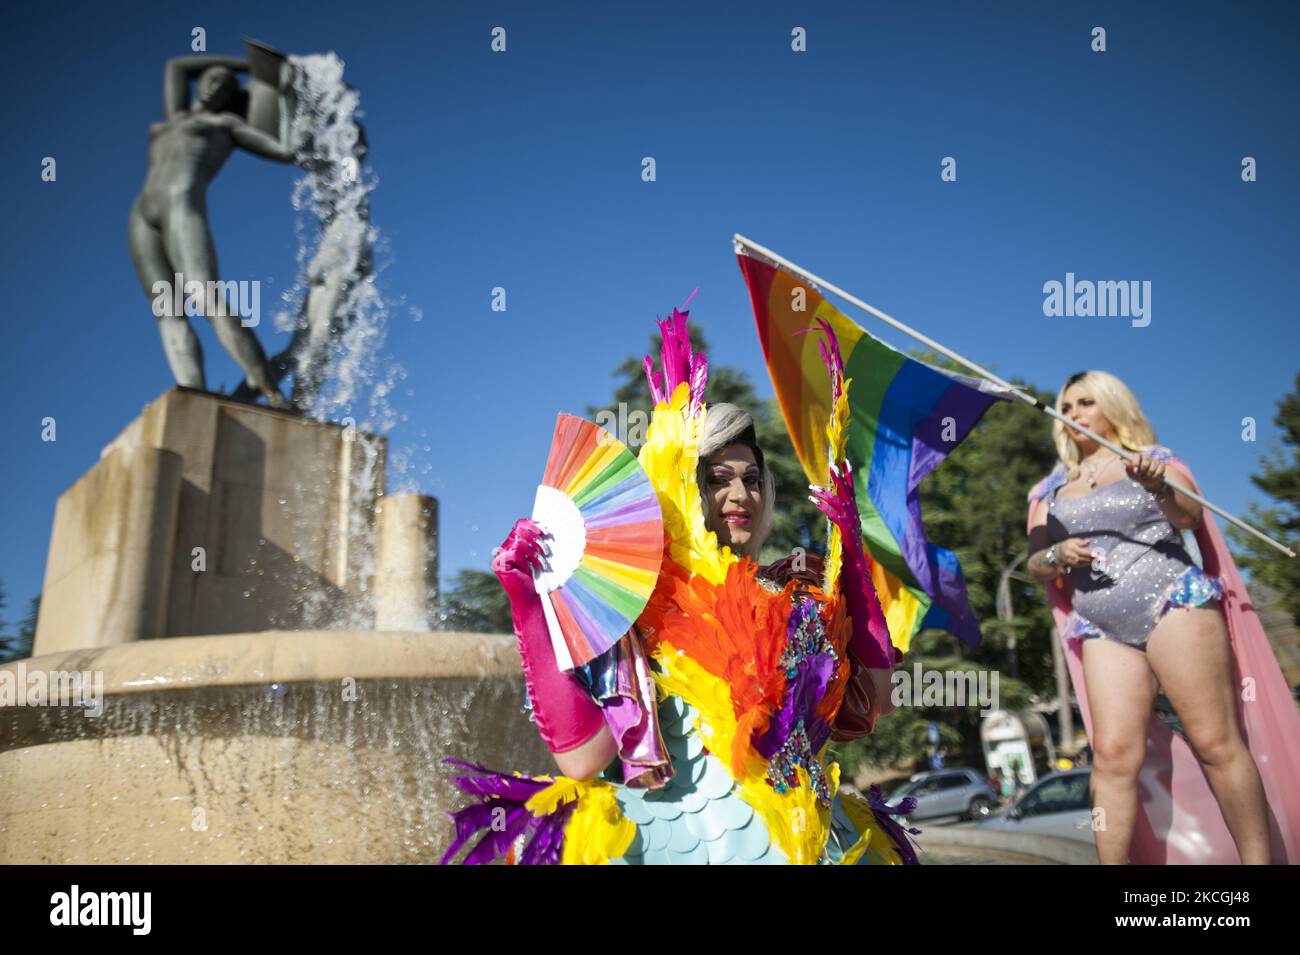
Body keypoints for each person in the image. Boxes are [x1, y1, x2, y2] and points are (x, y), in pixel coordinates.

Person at [441, 304, 918, 865]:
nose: (740, 495)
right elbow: (583, 758)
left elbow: (877, 699)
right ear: (684, 485)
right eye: (717, 480)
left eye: (751, 479)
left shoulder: (803, 592)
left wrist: (853, 558)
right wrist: (527, 600)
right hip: (678, 844)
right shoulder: (637, 601)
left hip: (814, 845)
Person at [1026, 370, 1300, 864]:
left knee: (1217, 742)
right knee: (1111, 757)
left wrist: (1157, 488)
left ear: (1114, 406)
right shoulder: (1049, 492)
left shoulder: (1156, 460)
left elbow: (1189, 517)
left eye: (1085, 403)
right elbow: (1035, 564)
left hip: (1175, 602)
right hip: (1100, 625)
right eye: (1066, 409)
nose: (1073, 416)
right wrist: (1059, 552)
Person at [129, 55, 299, 408]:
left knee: (207, 297)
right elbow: (176, 66)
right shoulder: (175, 118)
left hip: (181, 207)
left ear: (229, 100)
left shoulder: (226, 125)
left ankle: (270, 392)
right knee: (168, 308)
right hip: (143, 216)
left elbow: (286, 151)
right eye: (213, 78)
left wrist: (283, 89)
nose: (216, 85)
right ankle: (193, 392)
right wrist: (247, 65)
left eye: (225, 86)